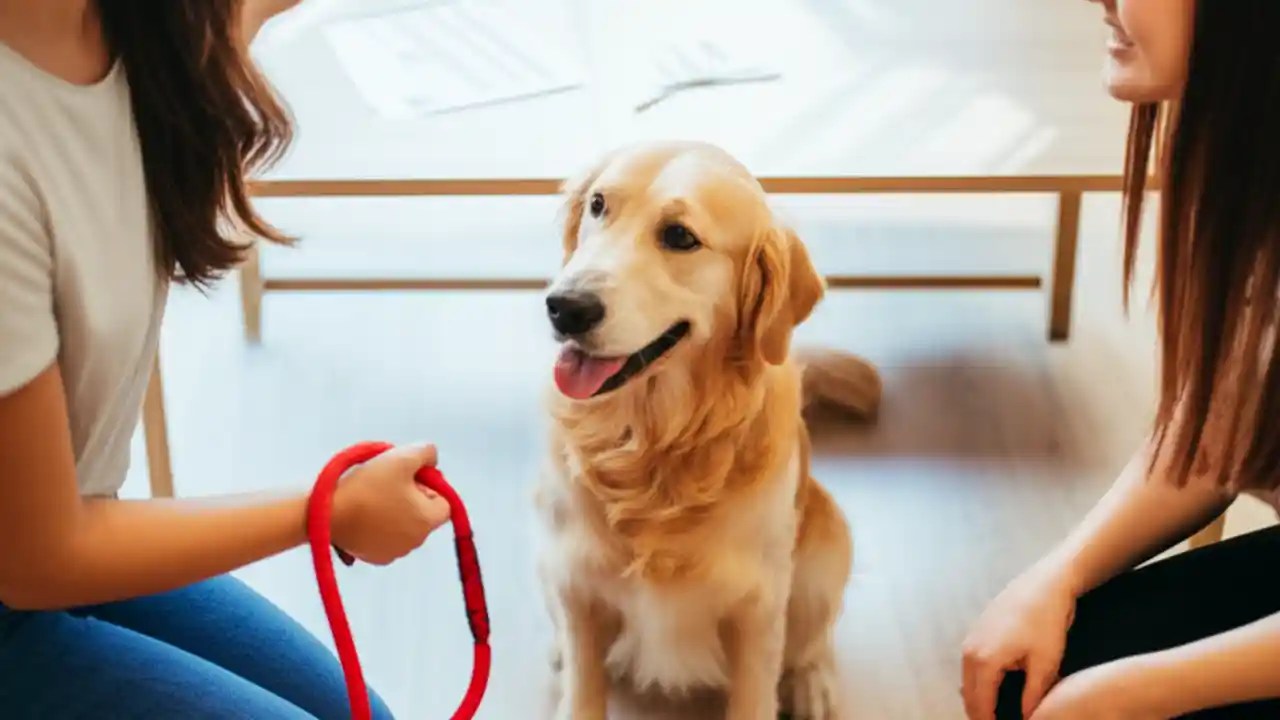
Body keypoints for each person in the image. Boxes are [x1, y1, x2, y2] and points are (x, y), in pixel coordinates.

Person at [0, 2, 451, 717]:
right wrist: (327, 509)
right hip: (32, 564)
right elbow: (39, 557)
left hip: (55, 538)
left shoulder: (135, 23)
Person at [961, 1, 1280, 718]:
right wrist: (1059, 575)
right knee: (1031, 678)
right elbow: (1215, 430)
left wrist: (1139, 691)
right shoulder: (1247, 158)